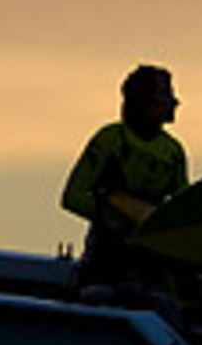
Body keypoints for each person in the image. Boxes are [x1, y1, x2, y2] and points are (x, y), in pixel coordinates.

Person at [61, 63, 190, 299]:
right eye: (165, 95)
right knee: (98, 297)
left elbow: (183, 207)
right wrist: (110, 219)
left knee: (163, 303)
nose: (174, 103)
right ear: (142, 102)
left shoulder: (172, 151)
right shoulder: (110, 140)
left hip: (152, 265)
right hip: (107, 263)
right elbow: (72, 197)